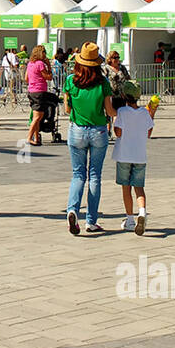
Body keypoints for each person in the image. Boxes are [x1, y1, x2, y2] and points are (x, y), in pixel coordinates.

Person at [63, 42, 115, 234]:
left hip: (76, 130)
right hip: (98, 131)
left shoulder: (70, 80)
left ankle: (72, 210)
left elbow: (67, 109)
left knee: (78, 175)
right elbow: (109, 110)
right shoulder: (103, 83)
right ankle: (91, 220)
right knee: (95, 176)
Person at [113, 80, 154, 235]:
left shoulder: (122, 111)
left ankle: (130, 219)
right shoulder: (144, 112)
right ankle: (142, 212)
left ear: (124, 95)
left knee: (126, 188)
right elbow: (149, 132)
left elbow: (118, 132)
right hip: (140, 155)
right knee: (139, 188)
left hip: (124, 154)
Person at [25, 44, 53, 146]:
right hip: (39, 91)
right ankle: (29, 137)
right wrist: (49, 66)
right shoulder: (40, 64)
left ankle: (37, 137)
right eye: (44, 52)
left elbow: (26, 78)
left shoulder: (30, 64)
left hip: (31, 91)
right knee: (37, 117)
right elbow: (48, 77)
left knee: (38, 116)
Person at [103, 50, 132, 141]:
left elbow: (127, 78)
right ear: (110, 59)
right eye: (114, 57)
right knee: (108, 114)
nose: (117, 59)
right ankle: (108, 132)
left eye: (118, 57)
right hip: (110, 95)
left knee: (120, 114)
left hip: (121, 95)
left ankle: (120, 131)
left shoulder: (122, 68)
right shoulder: (106, 68)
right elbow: (103, 80)